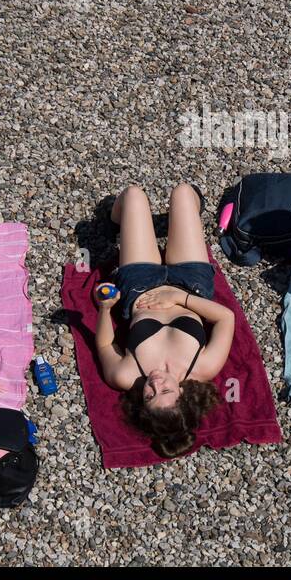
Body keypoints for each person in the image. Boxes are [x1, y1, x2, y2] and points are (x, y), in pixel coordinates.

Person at [94, 183, 235, 458]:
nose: (156, 383)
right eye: (166, 390)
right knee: (183, 192)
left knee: (134, 195)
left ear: (141, 403)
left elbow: (104, 346)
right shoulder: (204, 367)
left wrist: (104, 309)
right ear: (182, 394)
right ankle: (183, 217)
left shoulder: (126, 375)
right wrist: (178, 298)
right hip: (191, 285)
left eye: (149, 395)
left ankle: (114, 219)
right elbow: (225, 318)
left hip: (139, 285)